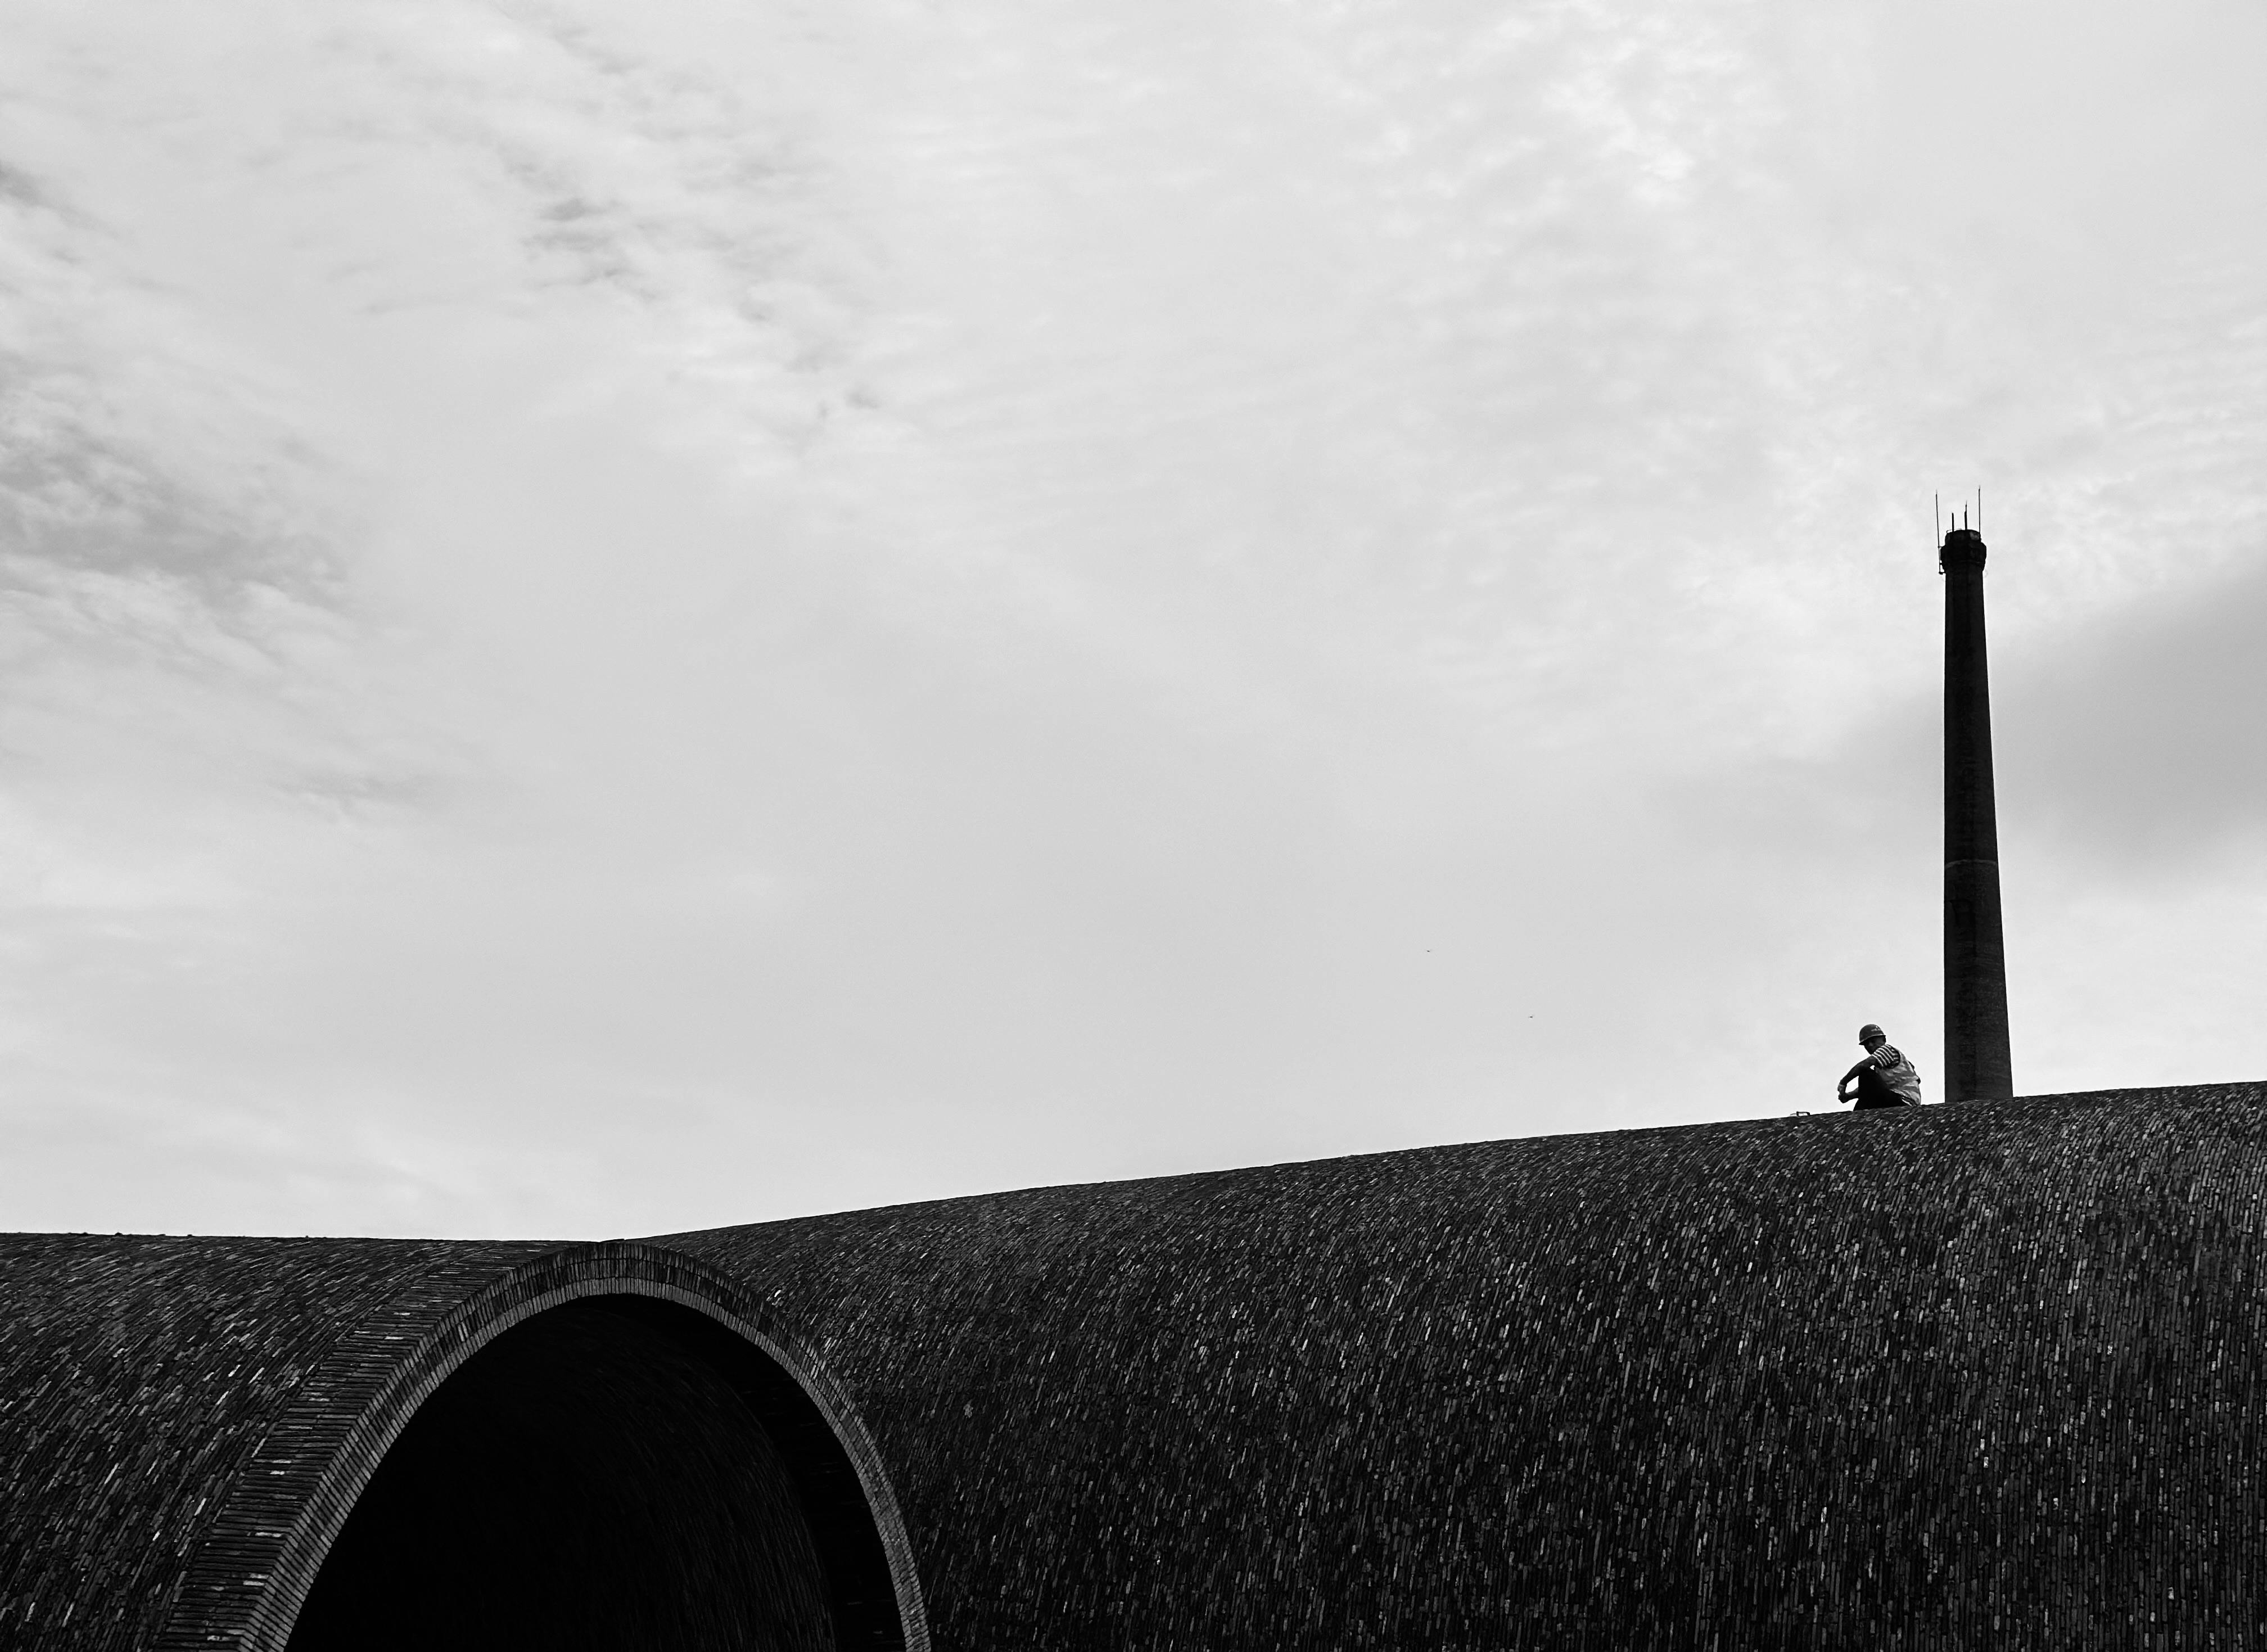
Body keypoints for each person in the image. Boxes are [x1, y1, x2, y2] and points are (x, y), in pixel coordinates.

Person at [1837, 1023, 1923, 1109]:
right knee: (1863, 1101)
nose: (1870, 1045)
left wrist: (1843, 1083)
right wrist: (1849, 1096)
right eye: (1866, 1044)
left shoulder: (1887, 1050)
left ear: (1884, 1040)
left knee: (1866, 1074)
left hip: (1904, 1099)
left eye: (1873, 1041)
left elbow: (1865, 1065)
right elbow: (1869, 1088)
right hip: (1897, 1098)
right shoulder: (1881, 1067)